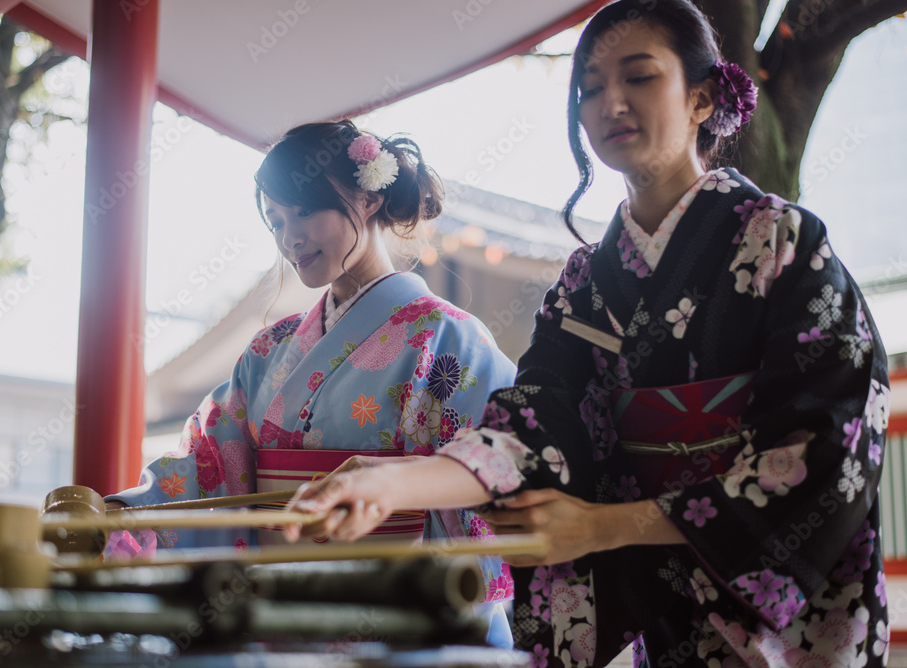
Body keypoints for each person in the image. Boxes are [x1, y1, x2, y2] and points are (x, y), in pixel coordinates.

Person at [284, 2, 891, 666]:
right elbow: (534, 426)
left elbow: (828, 446)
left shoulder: (784, 242)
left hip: (776, 609)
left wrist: (603, 527)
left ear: (702, 97)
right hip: (667, 600)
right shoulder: (585, 282)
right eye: (592, 88)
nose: (611, 103)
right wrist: (388, 486)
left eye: (638, 77)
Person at [105, 120, 517, 646]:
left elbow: (498, 464)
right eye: (275, 220)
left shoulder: (449, 340)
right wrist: (121, 514)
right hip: (278, 615)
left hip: (397, 616)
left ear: (367, 197)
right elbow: (208, 459)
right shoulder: (268, 348)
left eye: (303, 211)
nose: (288, 237)